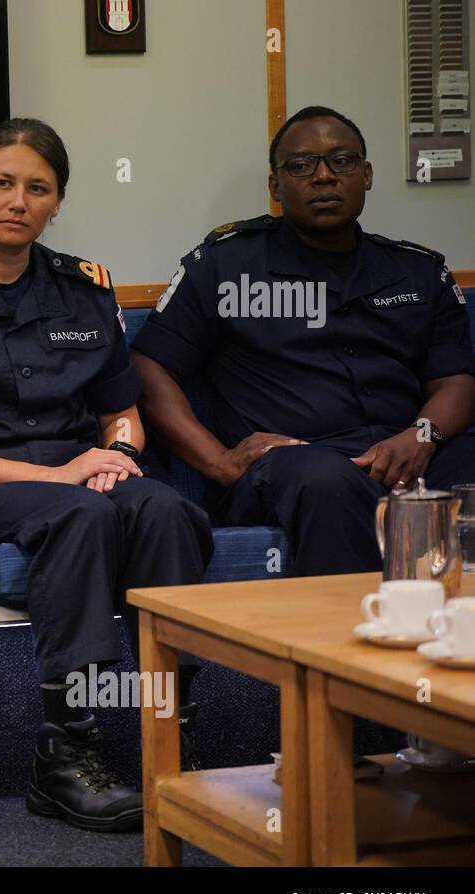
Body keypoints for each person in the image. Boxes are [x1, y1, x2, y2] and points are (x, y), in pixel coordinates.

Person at [0, 118, 213, 833]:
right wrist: (65, 478)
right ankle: (68, 753)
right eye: (2, 183)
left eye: (39, 188)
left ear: (57, 202)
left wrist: (120, 456)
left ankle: (168, 728)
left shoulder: (85, 289)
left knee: (166, 511)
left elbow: (121, 416)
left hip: (77, 476)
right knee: (81, 516)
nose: (19, 200)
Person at [132, 106, 475, 576]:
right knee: (324, 480)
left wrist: (422, 435)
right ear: (275, 186)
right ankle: (347, 643)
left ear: (367, 175)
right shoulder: (225, 265)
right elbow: (149, 368)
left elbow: (455, 381)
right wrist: (220, 463)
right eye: (300, 166)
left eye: (342, 161)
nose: (323, 177)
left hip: (407, 451)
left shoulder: (418, 270)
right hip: (294, 465)